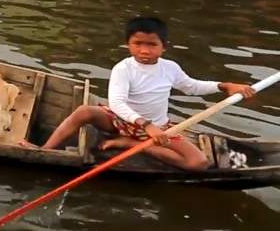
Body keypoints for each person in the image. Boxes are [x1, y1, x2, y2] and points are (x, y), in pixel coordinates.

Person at [31, 17, 255, 170]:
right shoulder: (124, 68)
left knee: (198, 163)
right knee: (84, 111)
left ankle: (129, 145)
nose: (144, 50)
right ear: (128, 44)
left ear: (163, 46)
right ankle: (45, 150)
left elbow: (192, 87)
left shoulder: (170, 68)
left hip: (157, 129)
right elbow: (117, 103)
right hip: (123, 122)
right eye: (137, 43)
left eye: (151, 44)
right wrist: (144, 123)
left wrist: (225, 86)